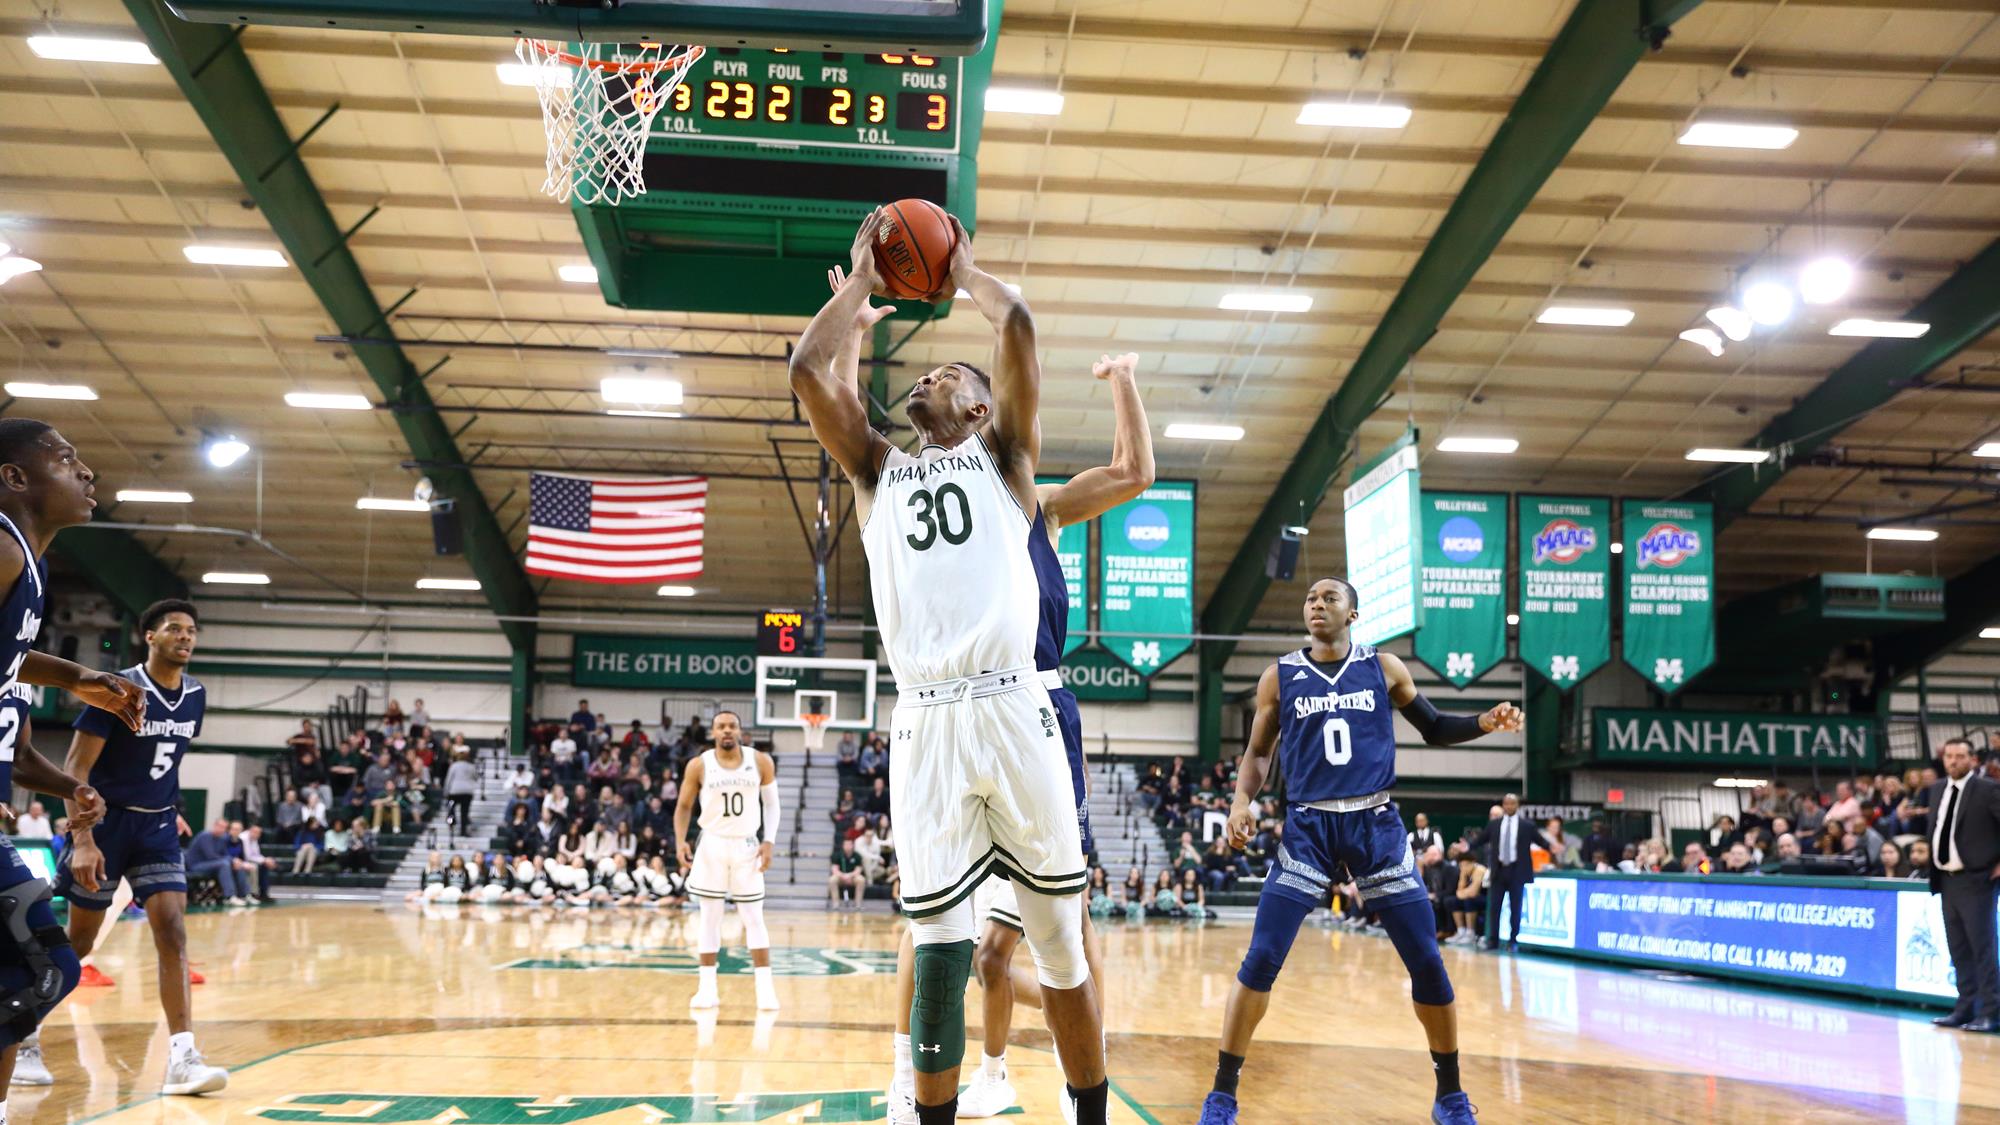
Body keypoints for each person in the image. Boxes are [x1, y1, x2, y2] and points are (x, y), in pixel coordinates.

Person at [793, 211, 1107, 1125]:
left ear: (977, 407)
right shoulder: (875, 469)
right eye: (924, 371)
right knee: (938, 949)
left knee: (1058, 942)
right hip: (925, 718)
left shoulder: (1007, 459)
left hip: (1016, 707)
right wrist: (861, 280)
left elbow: (1015, 329)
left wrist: (958, 266)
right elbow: (809, 374)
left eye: (946, 374)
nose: (927, 375)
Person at [1198, 577, 1524, 1125]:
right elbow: (1258, 752)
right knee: (1261, 958)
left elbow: (1437, 727)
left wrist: (1485, 722)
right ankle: (1223, 1093)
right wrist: (1240, 804)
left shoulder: (1385, 667)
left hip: (1375, 823)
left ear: (1354, 613)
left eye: (1329, 598)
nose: (1317, 604)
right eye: (1310, 598)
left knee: (1426, 959)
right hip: (1308, 824)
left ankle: (1450, 1094)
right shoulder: (1279, 675)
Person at [50, 595, 226, 1095]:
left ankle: (182, 1059)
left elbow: (167, 764)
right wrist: (81, 838)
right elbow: (75, 770)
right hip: (105, 826)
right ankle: (23, 1032)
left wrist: (176, 812)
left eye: (191, 630)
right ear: (150, 637)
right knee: (78, 944)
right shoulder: (119, 691)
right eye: (174, 628)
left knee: (172, 931)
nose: (185, 637)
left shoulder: (196, 695)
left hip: (158, 829)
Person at [673, 711, 781, 1012]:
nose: (727, 731)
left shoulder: (760, 761)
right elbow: (683, 806)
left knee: (754, 918)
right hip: (712, 843)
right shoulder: (699, 765)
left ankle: (765, 991)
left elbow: (772, 804)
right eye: (721, 726)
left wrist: (769, 840)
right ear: (713, 732)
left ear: (740, 731)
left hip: (747, 844)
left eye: (732, 725)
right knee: (709, 918)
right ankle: (707, 989)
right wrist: (680, 840)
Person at [1923, 737, 2000, 1032]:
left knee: (1983, 949)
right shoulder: (1937, 789)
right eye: (1948, 756)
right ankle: (1966, 1007)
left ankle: (1991, 1012)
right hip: (1946, 880)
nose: (1952, 761)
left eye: (1959, 756)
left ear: (1973, 760)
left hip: (1977, 878)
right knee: (1959, 949)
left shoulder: (1987, 789)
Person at [1481, 794, 1555, 952]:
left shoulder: (1527, 825)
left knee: (1516, 908)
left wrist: (1552, 847)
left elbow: (1540, 840)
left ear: (1517, 805)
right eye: (1506, 803)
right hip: (1499, 871)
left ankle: (1513, 941)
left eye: (1512, 803)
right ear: (1503, 805)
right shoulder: (1494, 824)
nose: (1509, 806)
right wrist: (1467, 847)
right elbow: (1481, 839)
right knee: (1495, 908)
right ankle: (1492, 941)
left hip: (1517, 871)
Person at [1451, 852, 1487, 944]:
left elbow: (1474, 892)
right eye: (1461, 866)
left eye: (1466, 865)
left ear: (1473, 863)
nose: (1463, 868)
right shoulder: (1464, 872)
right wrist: (1463, 876)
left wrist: (1461, 893)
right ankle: (1461, 931)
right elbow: (1459, 890)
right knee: (1454, 901)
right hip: (1473, 897)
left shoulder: (1479, 870)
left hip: (1486, 898)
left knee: (1469, 901)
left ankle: (1470, 933)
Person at [234, 823, 277, 902]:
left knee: (264, 866)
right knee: (255, 867)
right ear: (249, 830)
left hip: (248, 861)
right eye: (255, 832)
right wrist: (264, 860)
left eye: (259, 833)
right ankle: (253, 893)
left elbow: (257, 854)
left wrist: (265, 860)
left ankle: (264, 893)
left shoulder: (254, 839)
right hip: (242, 860)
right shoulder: (243, 838)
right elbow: (247, 856)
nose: (257, 834)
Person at [444, 750, 477, 839]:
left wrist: (446, 791)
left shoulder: (454, 766)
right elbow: (475, 777)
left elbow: (448, 779)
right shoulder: (471, 766)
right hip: (467, 792)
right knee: (464, 812)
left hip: (454, 791)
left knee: (451, 808)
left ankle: (451, 822)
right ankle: (463, 831)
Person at [830, 837, 867, 909]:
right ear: (843, 846)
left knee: (861, 879)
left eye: (849, 845)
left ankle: (858, 904)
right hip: (840, 877)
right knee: (832, 879)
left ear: (852, 845)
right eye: (845, 845)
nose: (847, 847)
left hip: (852, 877)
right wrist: (843, 876)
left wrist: (849, 876)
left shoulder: (857, 856)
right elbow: (834, 870)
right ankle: (836, 903)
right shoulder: (837, 855)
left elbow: (858, 870)